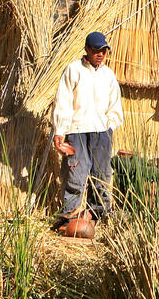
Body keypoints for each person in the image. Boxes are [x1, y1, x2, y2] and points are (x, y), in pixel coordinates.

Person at [51, 31, 123, 231]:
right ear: (87, 50)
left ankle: (96, 214)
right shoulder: (73, 70)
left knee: (101, 175)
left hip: (101, 132)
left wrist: (109, 126)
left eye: (103, 50)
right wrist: (60, 130)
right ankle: (68, 218)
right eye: (96, 50)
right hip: (77, 130)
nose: (100, 54)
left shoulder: (108, 75)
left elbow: (115, 103)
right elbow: (63, 101)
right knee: (76, 173)